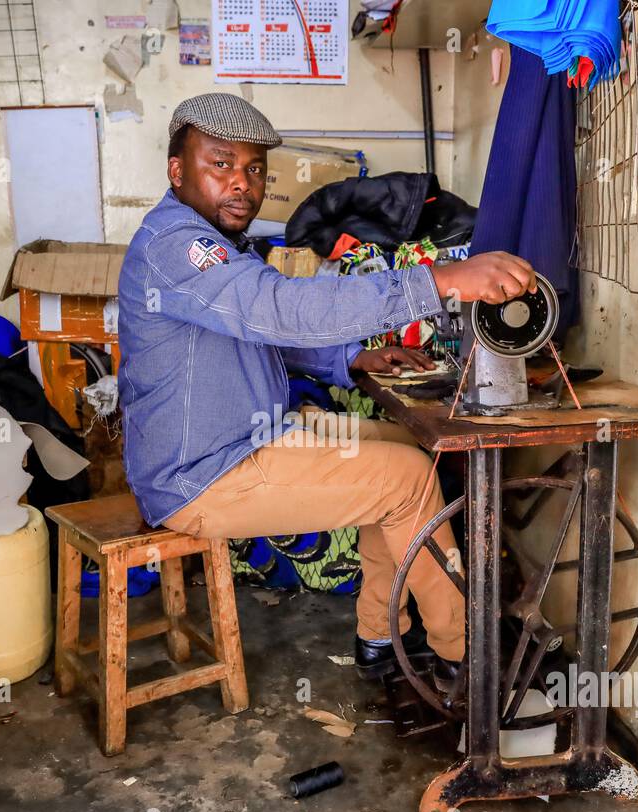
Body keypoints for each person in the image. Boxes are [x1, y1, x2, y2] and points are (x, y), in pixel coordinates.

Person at [116, 93, 536, 690]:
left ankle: (378, 636)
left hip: (248, 436)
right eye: (221, 164)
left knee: (408, 449)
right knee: (404, 480)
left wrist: (350, 356)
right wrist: (437, 279)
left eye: (254, 168)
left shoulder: (216, 243)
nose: (242, 183)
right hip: (203, 471)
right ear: (177, 170)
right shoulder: (180, 246)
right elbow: (277, 310)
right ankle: (467, 658)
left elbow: (257, 333)